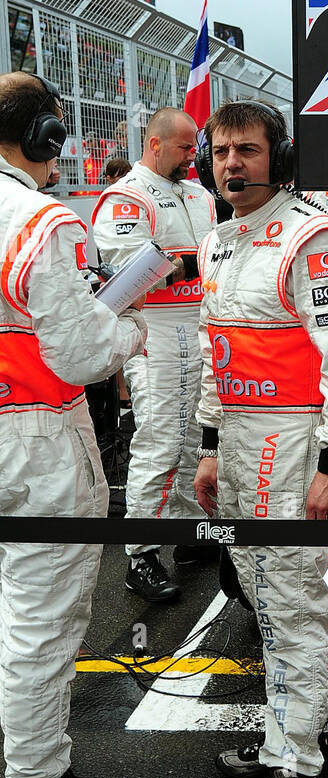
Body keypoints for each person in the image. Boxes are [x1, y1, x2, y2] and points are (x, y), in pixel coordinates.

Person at [192, 101, 328, 778]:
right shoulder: (215, 240)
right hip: (236, 438)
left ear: (280, 156)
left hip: (296, 442)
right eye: (221, 152)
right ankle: (283, 732)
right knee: (254, 592)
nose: (232, 164)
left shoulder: (313, 236)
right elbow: (217, 350)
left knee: (292, 603)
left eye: (248, 150)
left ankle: (295, 771)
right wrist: (207, 448)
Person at [0, 72, 147, 778]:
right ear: (46, 138)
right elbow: (85, 353)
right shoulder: (36, 219)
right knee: (40, 622)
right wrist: (124, 327)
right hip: (35, 440)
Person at [92, 108, 216, 601]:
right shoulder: (125, 196)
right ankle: (140, 556)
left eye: (194, 147)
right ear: (155, 144)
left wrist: (188, 263)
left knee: (196, 439)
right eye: (185, 147)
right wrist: (192, 261)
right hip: (155, 331)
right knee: (159, 439)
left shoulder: (199, 194)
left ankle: (188, 538)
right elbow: (134, 274)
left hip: (200, 324)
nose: (193, 155)